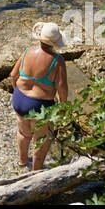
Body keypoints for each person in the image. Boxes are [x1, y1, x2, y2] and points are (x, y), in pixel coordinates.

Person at [8, 22, 68, 170]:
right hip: (40, 105)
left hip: (20, 99)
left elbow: (13, 75)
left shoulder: (27, 51)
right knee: (42, 140)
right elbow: (62, 88)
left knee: (23, 133)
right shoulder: (57, 61)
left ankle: (22, 163)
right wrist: (63, 108)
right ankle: (36, 172)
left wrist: (17, 93)